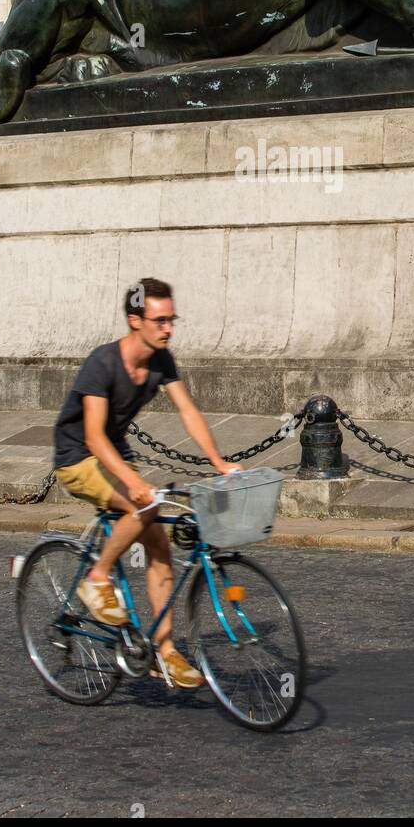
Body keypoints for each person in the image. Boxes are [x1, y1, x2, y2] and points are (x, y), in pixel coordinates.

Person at [53, 276, 239, 689]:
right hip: (78, 457)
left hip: (115, 455)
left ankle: (165, 651)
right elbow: (94, 436)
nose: (168, 328)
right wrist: (133, 483)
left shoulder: (161, 361)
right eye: (160, 320)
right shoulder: (102, 363)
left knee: (159, 546)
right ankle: (97, 577)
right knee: (144, 504)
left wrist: (218, 462)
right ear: (135, 320)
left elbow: (187, 411)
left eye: (172, 319)